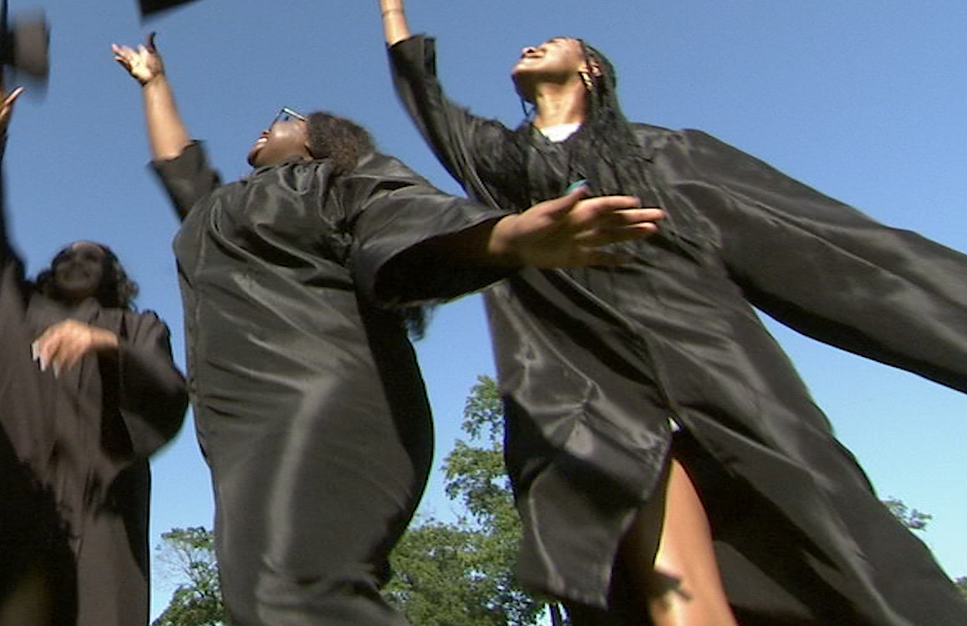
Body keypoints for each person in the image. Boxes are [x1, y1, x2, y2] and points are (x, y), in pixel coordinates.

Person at [345, 0, 967, 626]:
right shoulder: (502, 164)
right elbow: (427, 102)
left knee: (822, 510)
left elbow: (822, 243)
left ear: (591, 70)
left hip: (707, 346)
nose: (530, 45)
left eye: (555, 41)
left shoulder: (665, 153)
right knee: (640, 562)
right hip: (582, 371)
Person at [110, 35, 664, 626]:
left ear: (321, 141)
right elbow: (180, 164)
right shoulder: (218, 209)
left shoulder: (335, 181)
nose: (268, 125)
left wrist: (509, 236)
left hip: (322, 402)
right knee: (262, 596)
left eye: (287, 118)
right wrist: (154, 83)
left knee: (293, 590)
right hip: (241, 427)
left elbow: (406, 215)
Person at [0, 86, 188, 626]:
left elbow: (169, 390)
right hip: (10, 490)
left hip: (100, 502)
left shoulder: (138, 326)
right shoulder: (20, 307)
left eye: (91, 257)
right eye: (65, 255)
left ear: (112, 275)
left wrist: (108, 346)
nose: (76, 261)